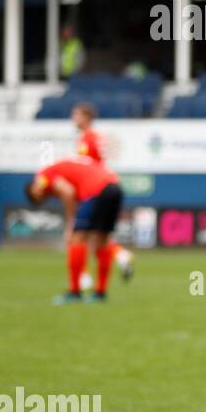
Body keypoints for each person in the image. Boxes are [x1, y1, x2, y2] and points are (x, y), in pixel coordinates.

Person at [25, 155, 126, 304]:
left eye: (38, 196)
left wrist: (71, 222)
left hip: (95, 190)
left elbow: (67, 192)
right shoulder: (60, 169)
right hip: (115, 187)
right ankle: (100, 293)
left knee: (76, 238)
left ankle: (74, 292)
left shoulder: (43, 176)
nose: (41, 195)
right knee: (102, 240)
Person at [71, 102, 133, 283]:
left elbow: (84, 166)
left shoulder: (86, 139)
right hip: (106, 185)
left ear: (87, 117)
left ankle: (84, 277)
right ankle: (120, 255)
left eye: (76, 115)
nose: (73, 119)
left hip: (94, 189)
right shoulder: (98, 137)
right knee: (97, 235)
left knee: (82, 234)